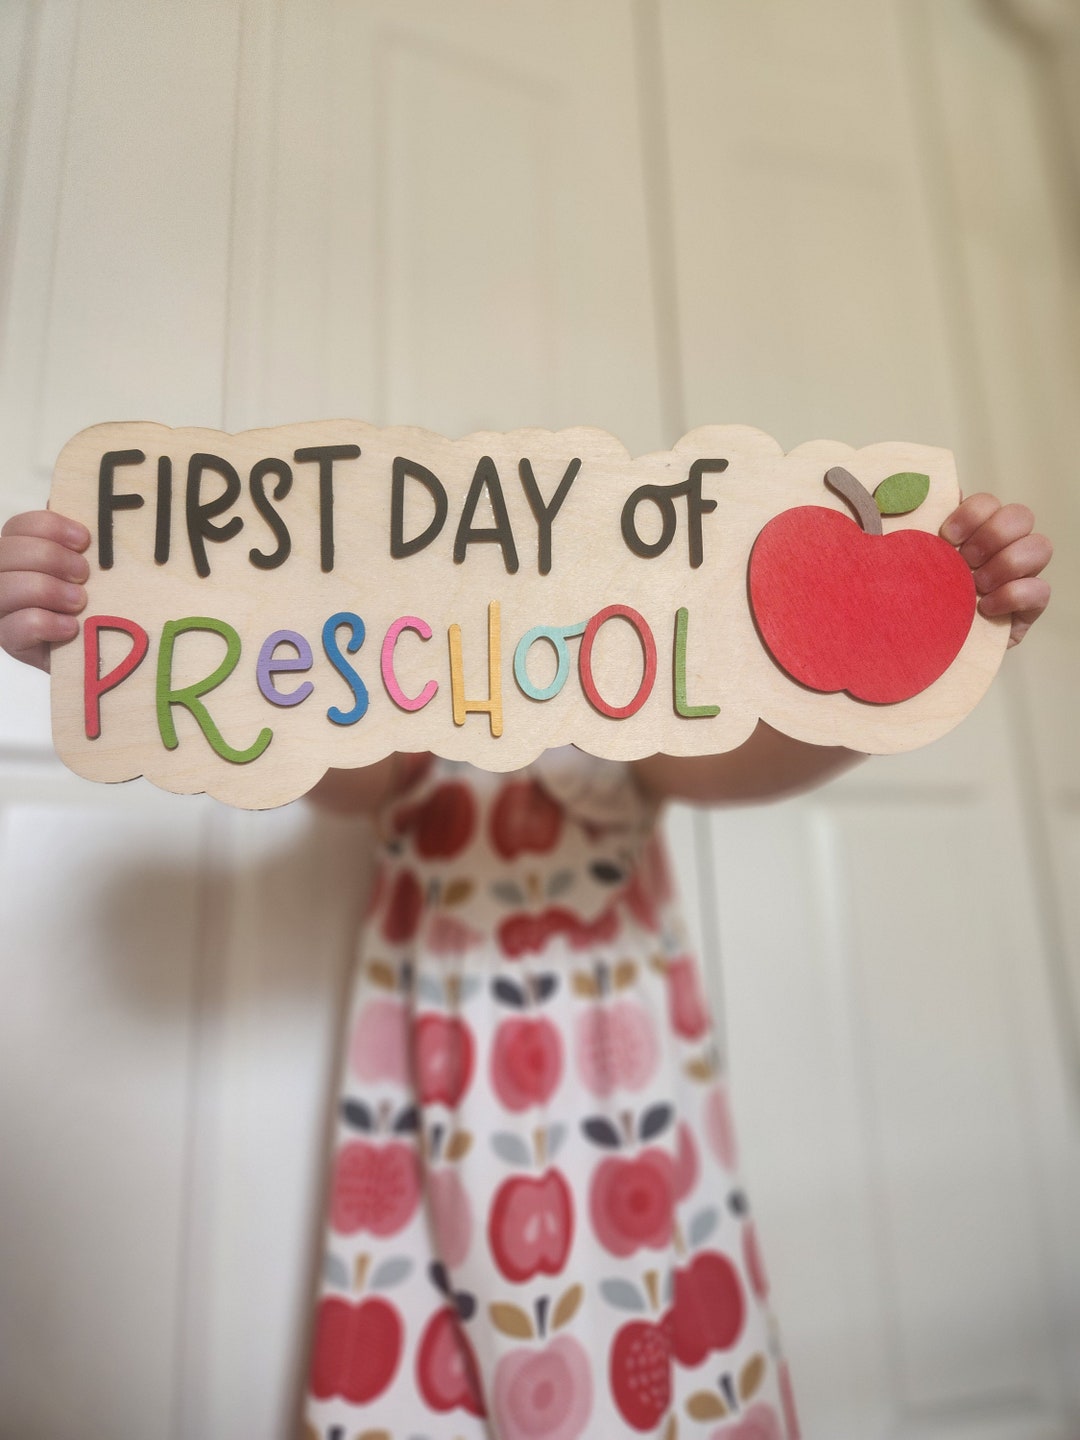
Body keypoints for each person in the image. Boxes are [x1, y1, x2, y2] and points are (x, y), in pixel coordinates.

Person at [0, 496, 1052, 1438]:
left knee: (647, 1351)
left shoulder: (637, 699)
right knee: (430, 1355)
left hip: (625, 1093)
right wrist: (112, 643)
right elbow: (298, 739)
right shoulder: (397, 707)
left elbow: (752, 757)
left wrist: (903, 636)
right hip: (435, 1090)